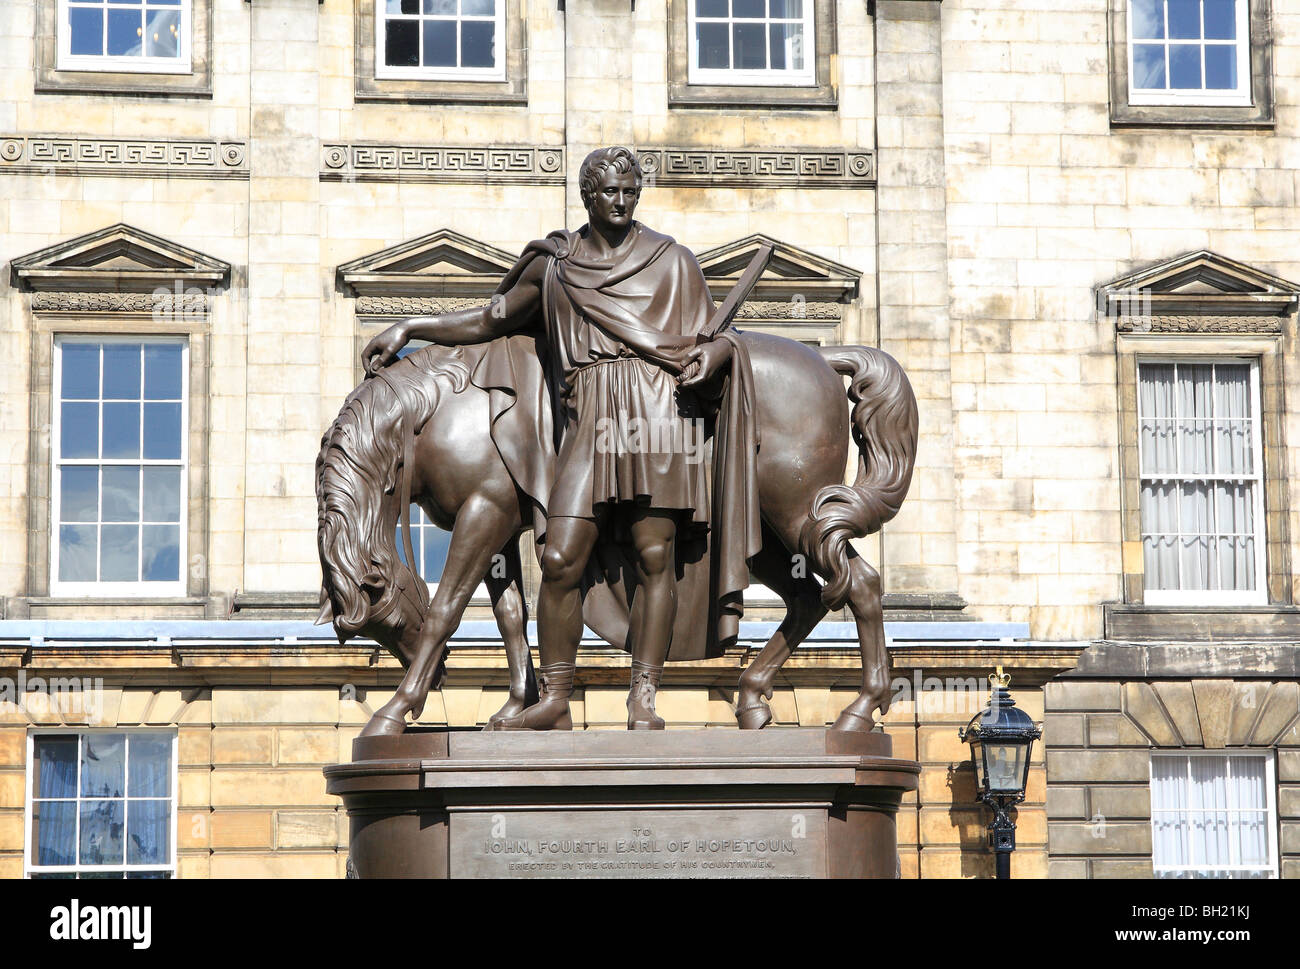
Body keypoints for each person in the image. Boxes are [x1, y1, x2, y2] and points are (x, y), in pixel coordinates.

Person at [362, 146, 760, 730]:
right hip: (588, 417)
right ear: (587, 197)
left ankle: (643, 696)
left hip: (656, 413)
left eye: (630, 192)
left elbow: (713, 340)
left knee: (656, 557)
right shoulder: (557, 265)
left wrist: (717, 353)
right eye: (610, 193)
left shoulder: (674, 262)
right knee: (557, 557)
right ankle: (554, 698)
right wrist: (411, 326)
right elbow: (491, 318)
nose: (622, 203)